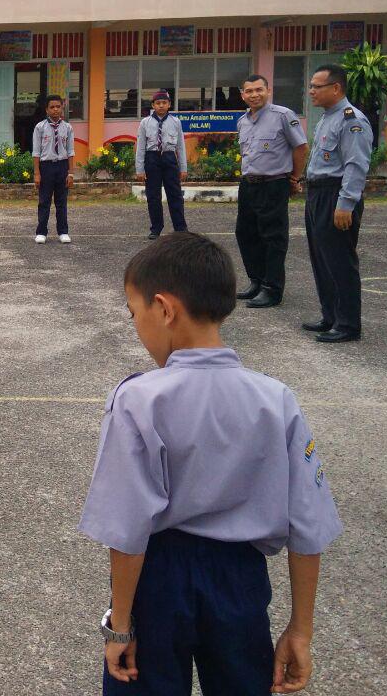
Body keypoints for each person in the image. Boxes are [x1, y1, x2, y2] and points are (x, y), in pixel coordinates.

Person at [79, 232, 342, 695]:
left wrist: (120, 626)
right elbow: (309, 521)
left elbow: (127, 527)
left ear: (163, 308)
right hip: (239, 581)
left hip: (160, 580)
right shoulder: (276, 399)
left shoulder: (139, 399)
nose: (137, 325)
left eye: (134, 312)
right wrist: (301, 629)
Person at [303, 64, 372, 343]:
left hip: (337, 195)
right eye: (310, 86)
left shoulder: (351, 120)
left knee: (340, 261)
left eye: (316, 87)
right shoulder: (326, 118)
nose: (311, 92)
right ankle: (330, 315)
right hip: (318, 194)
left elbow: (356, 165)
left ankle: (348, 324)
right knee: (321, 259)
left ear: (336, 88)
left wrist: (345, 204)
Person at [235, 75, 308, 309]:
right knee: (246, 233)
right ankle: (256, 281)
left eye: (259, 90)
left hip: (274, 183)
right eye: (249, 91)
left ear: (268, 90)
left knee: (273, 237)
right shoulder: (243, 121)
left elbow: (301, 147)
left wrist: (294, 178)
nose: (254, 95)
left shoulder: (283, 115)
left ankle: (272, 288)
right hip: (249, 184)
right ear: (242, 95)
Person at [134, 91, 188, 239]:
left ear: (169, 104)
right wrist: (139, 169)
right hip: (152, 159)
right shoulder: (145, 123)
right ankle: (156, 228)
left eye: (164, 103)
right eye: (158, 103)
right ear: (153, 105)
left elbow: (180, 146)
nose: (161, 106)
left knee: (175, 194)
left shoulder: (176, 122)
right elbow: (140, 147)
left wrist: (183, 167)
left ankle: (180, 228)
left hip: (169, 158)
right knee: (153, 196)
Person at [31, 95, 74, 244]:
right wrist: (37, 173)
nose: (55, 110)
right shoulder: (40, 127)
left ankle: (63, 231)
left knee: (61, 201)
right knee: (44, 201)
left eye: (58, 107)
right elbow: (36, 152)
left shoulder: (67, 127)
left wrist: (71, 173)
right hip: (46, 166)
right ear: (46, 110)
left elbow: (70, 152)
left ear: (62, 108)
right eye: (52, 107)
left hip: (62, 166)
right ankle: (41, 232)